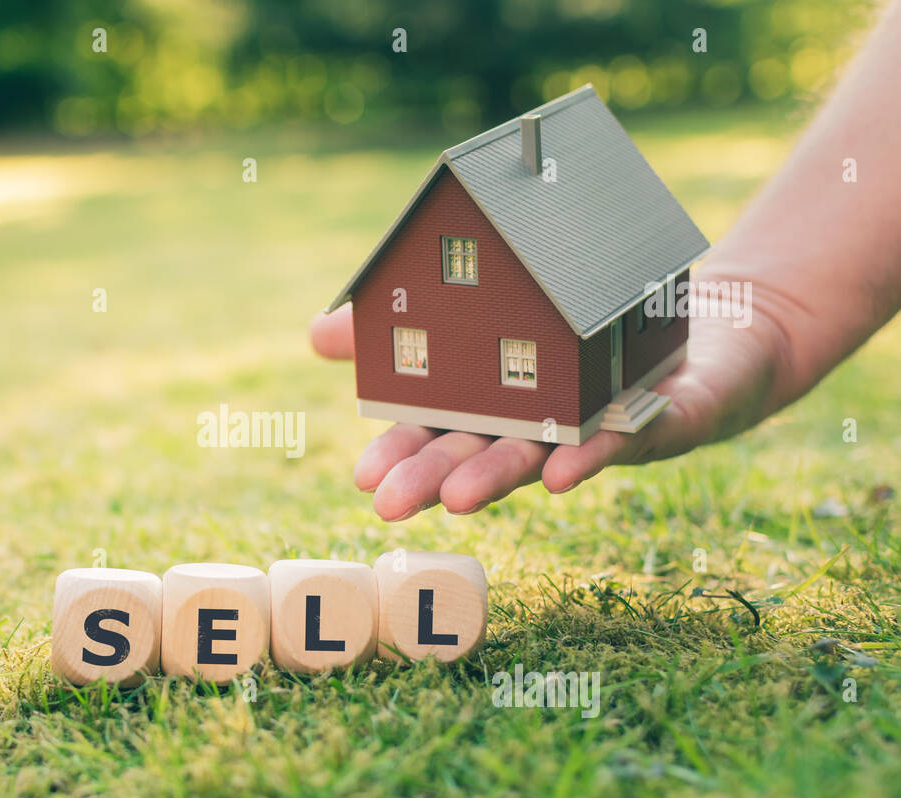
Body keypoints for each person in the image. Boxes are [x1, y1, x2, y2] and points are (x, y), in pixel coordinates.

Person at [309, 0, 901, 522]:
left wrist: (775, 310)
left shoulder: (575, 209)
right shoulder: (469, 209)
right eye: (459, 255)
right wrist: (777, 305)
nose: (460, 259)